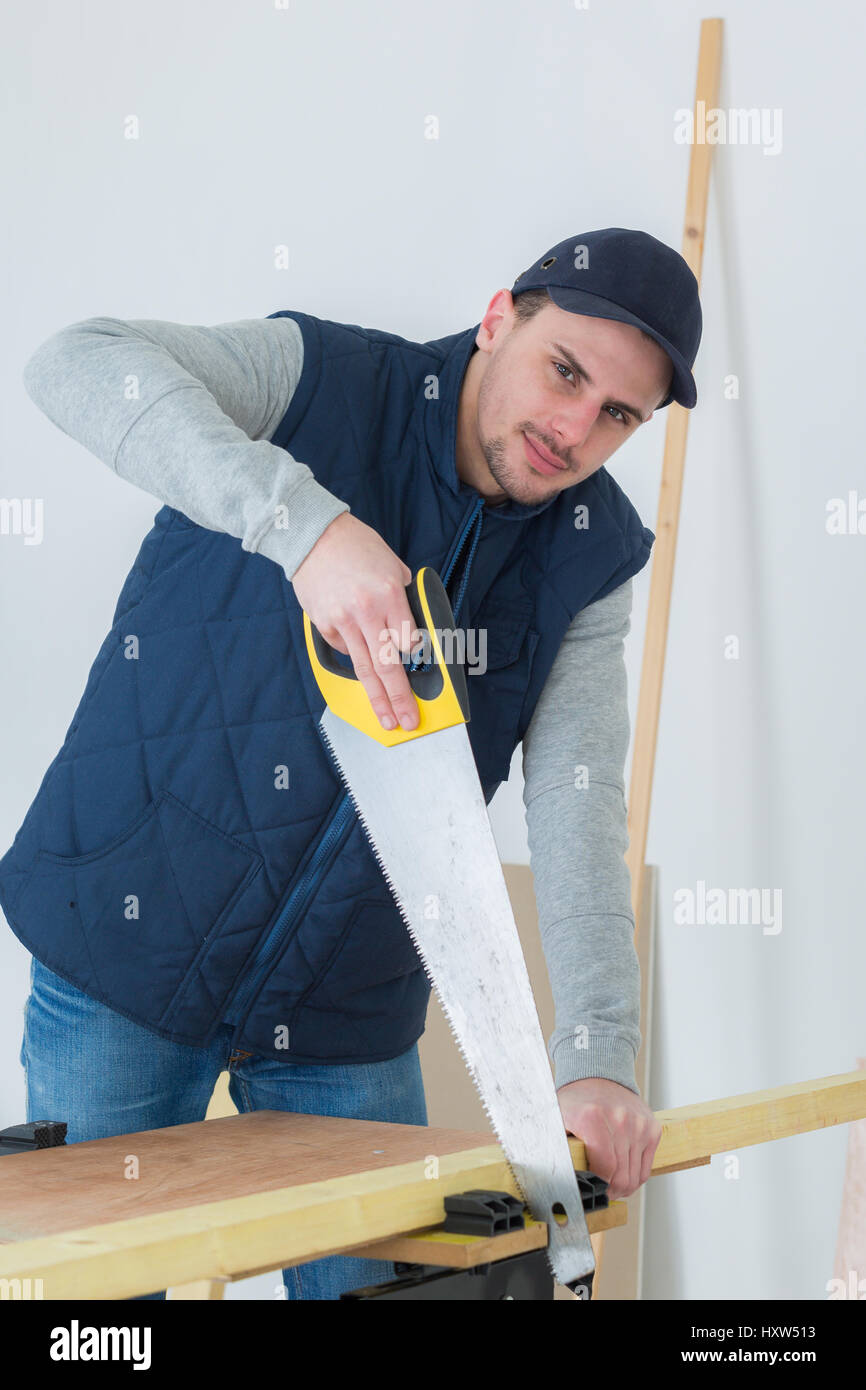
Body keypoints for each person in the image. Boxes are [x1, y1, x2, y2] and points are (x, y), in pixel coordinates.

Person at [1, 227, 701, 1299]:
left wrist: (598, 1054)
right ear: (497, 317)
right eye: (564, 370)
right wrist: (307, 528)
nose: (573, 428)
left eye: (616, 414)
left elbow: (576, 801)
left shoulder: (590, 554)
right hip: (127, 943)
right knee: (104, 1317)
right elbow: (75, 361)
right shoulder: (318, 380)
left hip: (347, 1009)